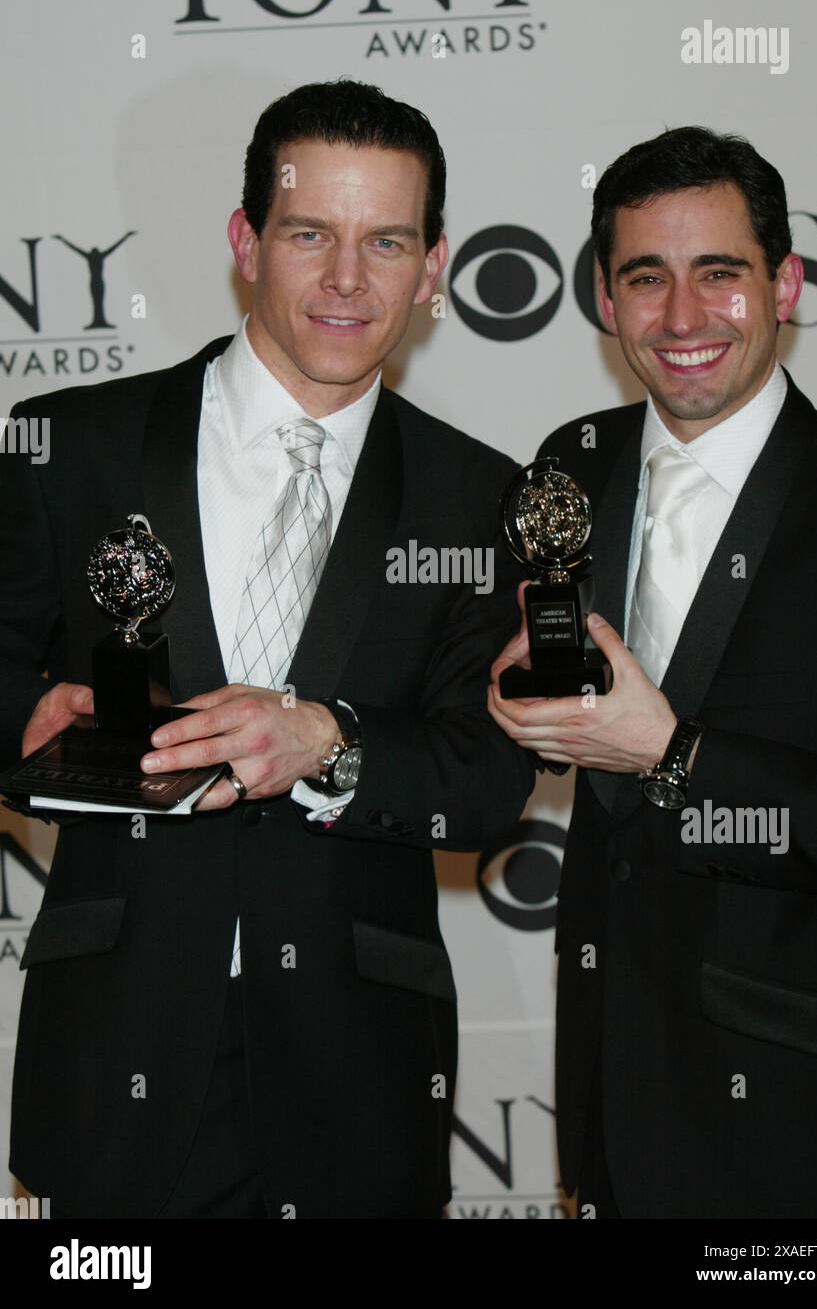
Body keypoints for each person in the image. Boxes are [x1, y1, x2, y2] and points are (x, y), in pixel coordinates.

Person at [1, 78, 535, 1219]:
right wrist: (29, 721)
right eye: (310, 233)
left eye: (385, 240)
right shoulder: (71, 444)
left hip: (357, 1072)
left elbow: (486, 780)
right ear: (246, 242)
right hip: (115, 1059)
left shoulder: (476, 494)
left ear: (434, 266)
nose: (348, 278)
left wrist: (328, 743)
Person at [489, 126, 817, 1219]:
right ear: (604, 305)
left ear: (785, 285)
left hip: (803, 1123)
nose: (680, 318)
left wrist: (673, 756)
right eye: (643, 279)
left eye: (718, 274)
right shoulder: (569, 466)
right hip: (609, 1101)